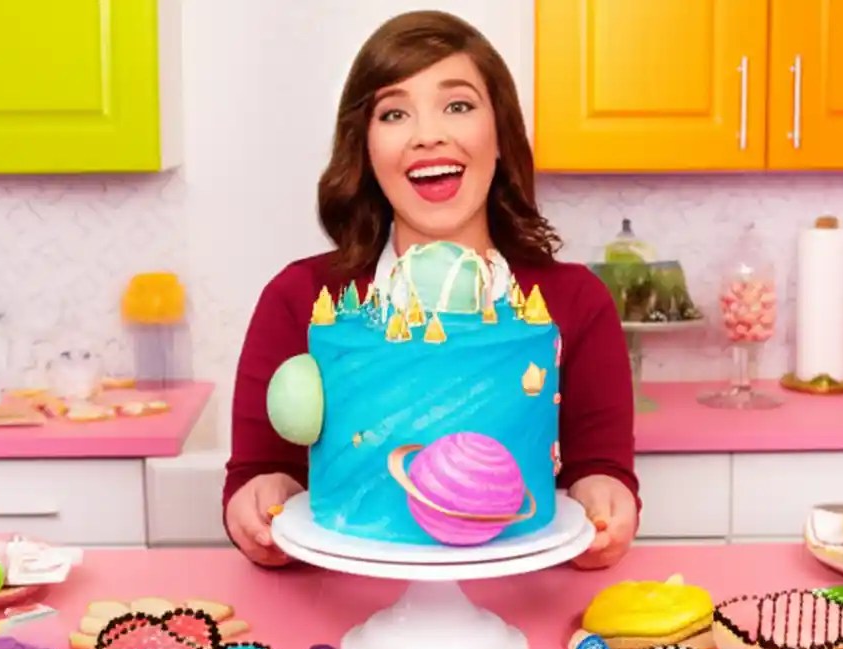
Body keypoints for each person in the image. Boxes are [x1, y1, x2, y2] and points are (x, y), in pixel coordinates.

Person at [222, 10, 640, 570]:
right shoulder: (302, 300)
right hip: (347, 604)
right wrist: (261, 502)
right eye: (394, 113)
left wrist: (603, 504)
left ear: (500, 134)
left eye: (458, 105)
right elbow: (259, 475)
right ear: (366, 148)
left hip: (521, 603)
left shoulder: (575, 303)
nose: (427, 135)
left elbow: (599, 471)